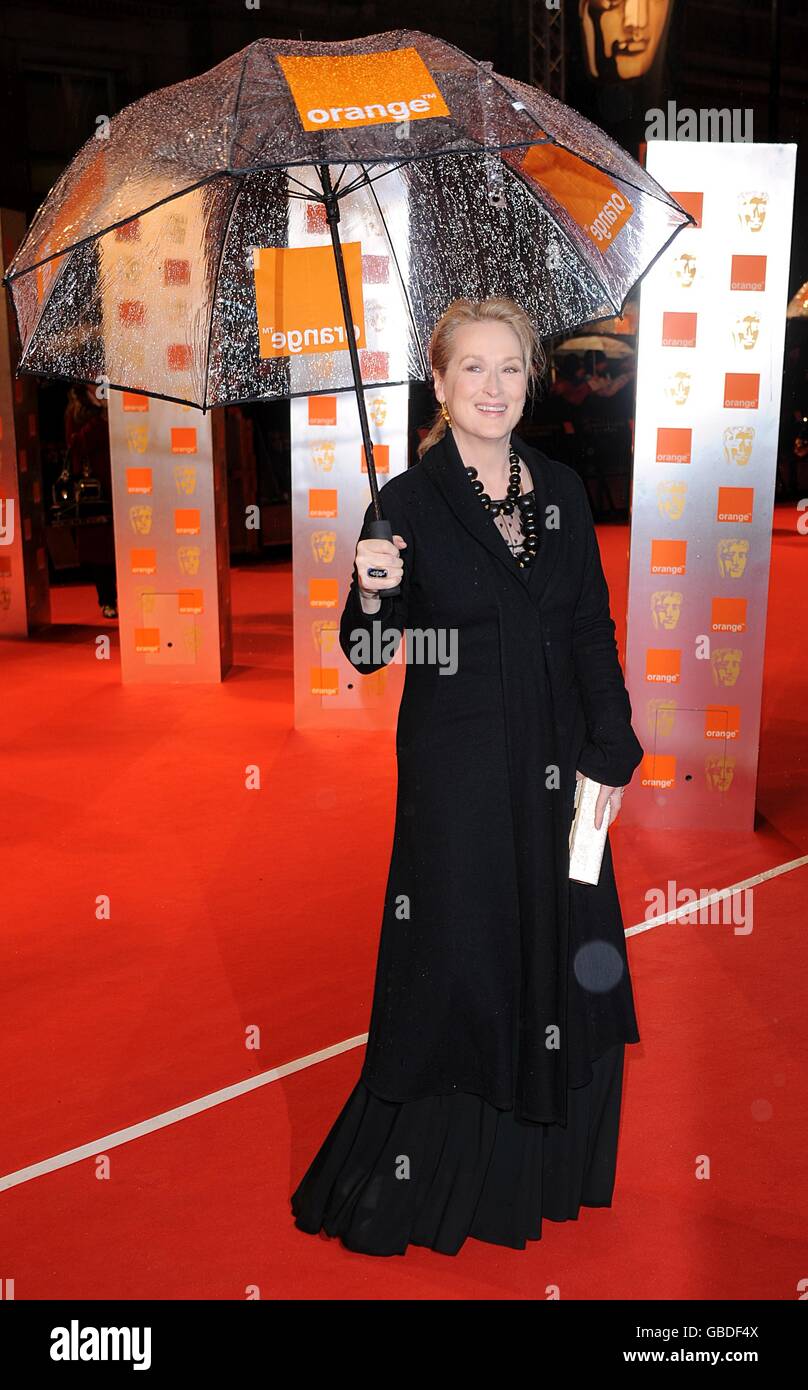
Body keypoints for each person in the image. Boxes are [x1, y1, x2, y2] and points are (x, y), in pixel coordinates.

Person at [290, 297, 644, 1256]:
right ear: (439, 385)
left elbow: (586, 631)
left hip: (561, 770)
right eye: (473, 370)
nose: (495, 388)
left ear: (531, 381)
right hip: (461, 780)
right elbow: (369, 652)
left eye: (512, 369)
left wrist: (611, 749)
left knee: (566, 951)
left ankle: (544, 1172)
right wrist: (369, 587)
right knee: (463, 960)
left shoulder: (564, 489)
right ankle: (436, 1180)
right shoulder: (404, 503)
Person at [64, 383, 118, 617]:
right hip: (95, 488)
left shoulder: (120, 401)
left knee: (126, 545)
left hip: (124, 482)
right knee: (101, 550)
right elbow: (75, 446)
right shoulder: (76, 410)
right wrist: (100, 421)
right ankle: (107, 600)